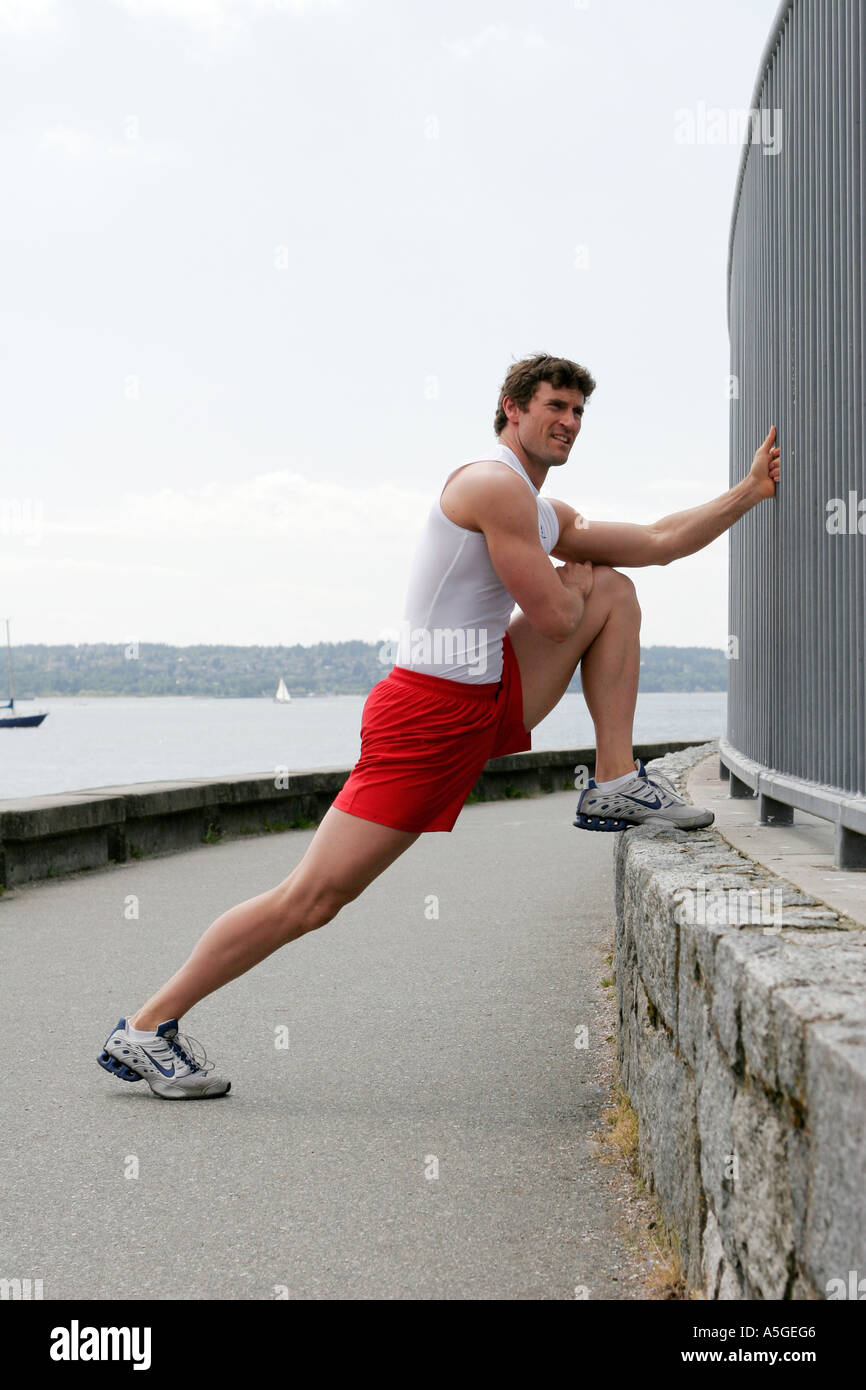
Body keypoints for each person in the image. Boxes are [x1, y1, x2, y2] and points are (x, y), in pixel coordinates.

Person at [97, 353, 782, 1099]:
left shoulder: (538, 507)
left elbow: (655, 542)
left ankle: (615, 782)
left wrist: (747, 492)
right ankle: (145, 1027)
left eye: (580, 411)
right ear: (511, 408)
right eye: (556, 405)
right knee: (311, 899)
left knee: (614, 587)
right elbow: (556, 618)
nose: (569, 422)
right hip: (423, 717)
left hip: (482, 694)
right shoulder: (491, 485)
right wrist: (569, 583)